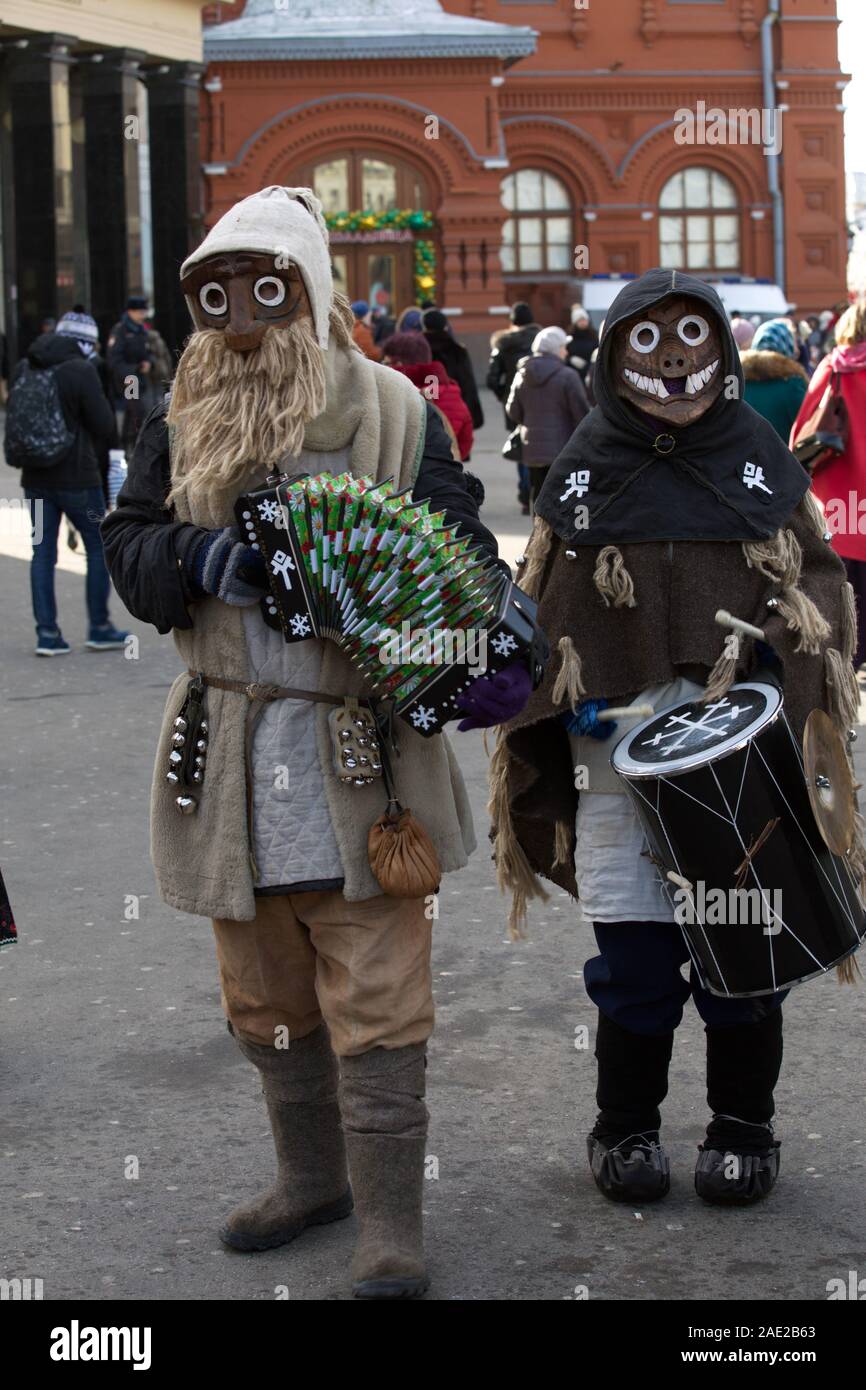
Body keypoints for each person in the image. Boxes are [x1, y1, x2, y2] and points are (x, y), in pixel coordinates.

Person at [101, 184, 528, 1301]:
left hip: (362, 757)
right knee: (264, 995)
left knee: (378, 995)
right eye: (217, 293)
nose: (241, 316)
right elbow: (129, 542)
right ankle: (310, 1180)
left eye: (265, 287)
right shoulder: (175, 420)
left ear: (310, 291)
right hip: (228, 754)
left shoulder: (394, 408)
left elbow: (459, 542)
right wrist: (199, 564)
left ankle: (389, 1223)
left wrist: (444, 602)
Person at [467, 268, 858, 1209]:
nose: (674, 357)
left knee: (745, 962)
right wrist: (564, 689)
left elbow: (825, 588)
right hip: (616, 769)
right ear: (614, 357)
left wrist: (782, 655)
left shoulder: (760, 455)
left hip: (746, 768)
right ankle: (625, 1127)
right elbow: (544, 602)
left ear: (720, 349)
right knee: (635, 967)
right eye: (648, 339)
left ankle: (742, 1128)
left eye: (692, 337)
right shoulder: (588, 465)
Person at [3, 318, 129, 655]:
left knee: (42, 552)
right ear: (85, 343)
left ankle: (47, 634)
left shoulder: (24, 367)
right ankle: (99, 627)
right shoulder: (80, 371)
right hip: (78, 481)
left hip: (35, 482)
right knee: (97, 547)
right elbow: (103, 424)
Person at [792, 300, 866, 666]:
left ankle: (848, 661)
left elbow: (801, 434)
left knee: (843, 590)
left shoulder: (832, 367)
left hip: (840, 498)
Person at [505, 326, 589, 510]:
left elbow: (513, 411)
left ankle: (538, 533)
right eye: (563, 347)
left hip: (532, 447)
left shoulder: (522, 375)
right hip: (563, 447)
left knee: (537, 492)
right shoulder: (568, 376)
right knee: (561, 495)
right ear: (556, 349)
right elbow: (581, 414)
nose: (566, 351)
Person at [382, 331, 473, 461]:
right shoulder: (451, 391)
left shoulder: (390, 392)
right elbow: (464, 442)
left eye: (387, 362)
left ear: (398, 364)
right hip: (444, 474)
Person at [487, 302, 541, 513]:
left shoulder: (503, 343)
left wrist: (503, 394)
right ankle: (538, 492)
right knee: (544, 445)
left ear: (512, 321)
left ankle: (525, 492)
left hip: (515, 401)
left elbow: (492, 377)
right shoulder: (542, 340)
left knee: (521, 444)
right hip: (543, 401)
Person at [741, 318, 809, 441]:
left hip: (744, 458)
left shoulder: (738, 384)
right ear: (785, 345)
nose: (797, 350)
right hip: (785, 458)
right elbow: (807, 430)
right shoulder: (792, 385)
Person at [421, 309, 484, 429]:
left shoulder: (418, 350)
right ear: (445, 326)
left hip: (424, 412)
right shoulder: (457, 351)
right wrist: (472, 416)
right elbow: (467, 384)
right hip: (455, 411)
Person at [107, 295, 154, 452]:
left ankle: (134, 445)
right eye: (140, 312)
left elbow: (147, 352)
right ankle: (129, 446)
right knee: (135, 411)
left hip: (140, 379)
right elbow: (114, 361)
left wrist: (148, 363)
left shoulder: (142, 331)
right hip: (129, 379)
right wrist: (135, 368)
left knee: (139, 411)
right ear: (131, 312)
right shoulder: (120, 331)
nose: (143, 316)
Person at [565, 305, 598, 384]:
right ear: (575, 322)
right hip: (572, 377)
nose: (583, 322)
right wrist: (570, 360)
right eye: (580, 320)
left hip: (590, 375)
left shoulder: (594, 336)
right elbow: (564, 355)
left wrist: (587, 366)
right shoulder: (569, 338)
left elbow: (597, 355)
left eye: (584, 319)